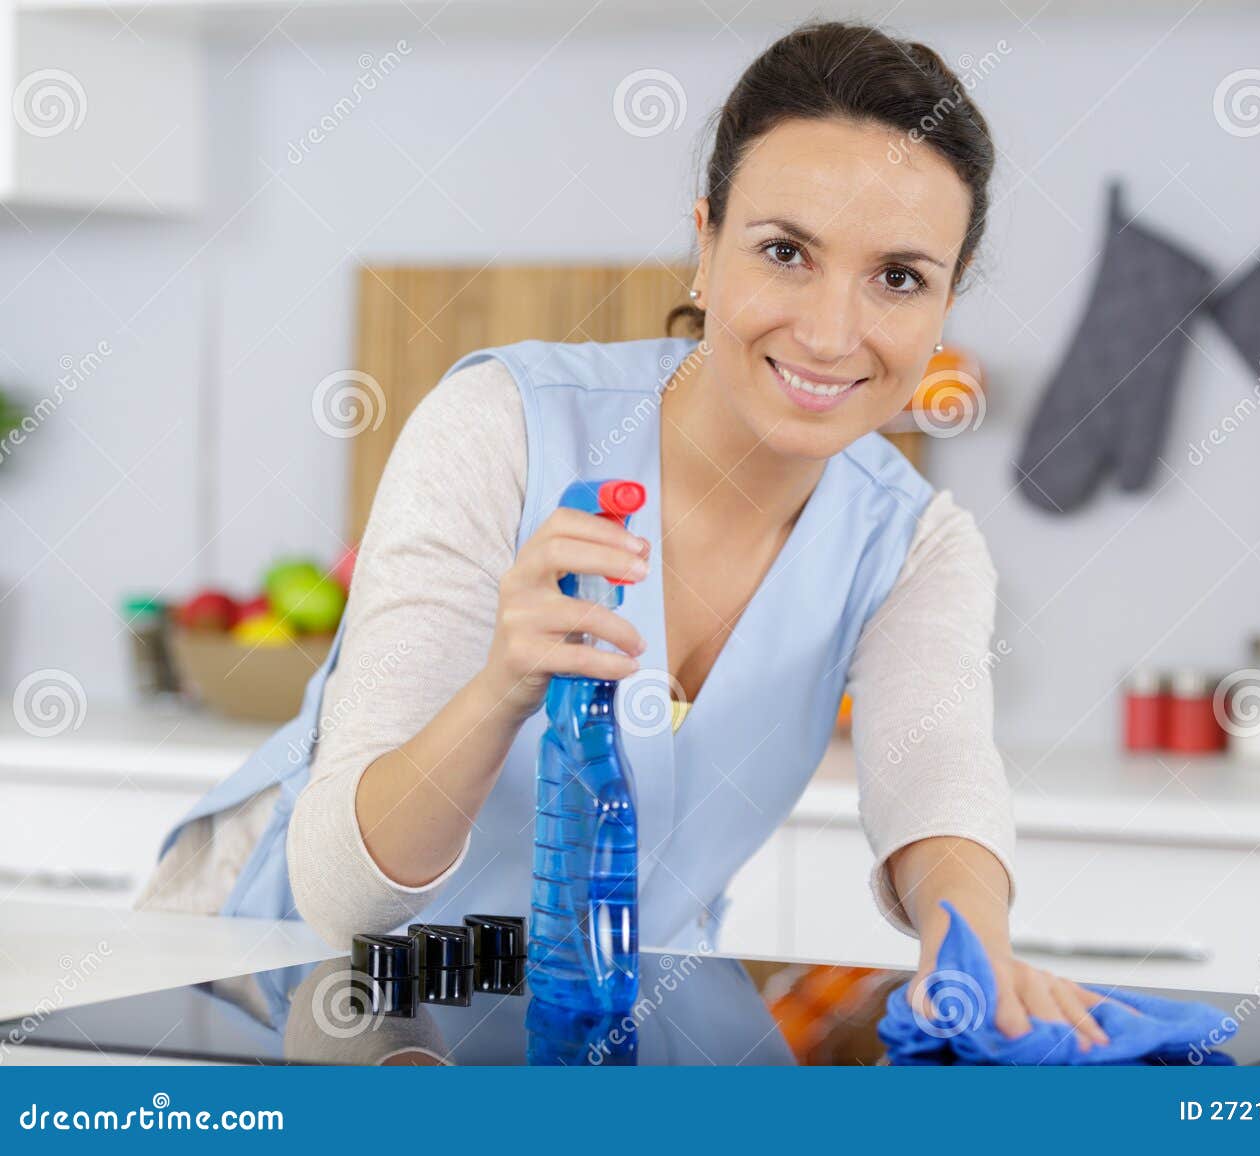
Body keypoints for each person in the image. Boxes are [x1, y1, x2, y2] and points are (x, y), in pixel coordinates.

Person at [141, 19, 1114, 1052]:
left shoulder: (915, 542)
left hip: (596, 1023)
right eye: (785, 252)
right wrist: (499, 689)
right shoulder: (502, 428)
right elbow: (337, 894)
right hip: (291, 994)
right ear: (705, 244)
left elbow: (937, 768)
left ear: (945, 302)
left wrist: (974, 947)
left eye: (899, 277)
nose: (833, 332)